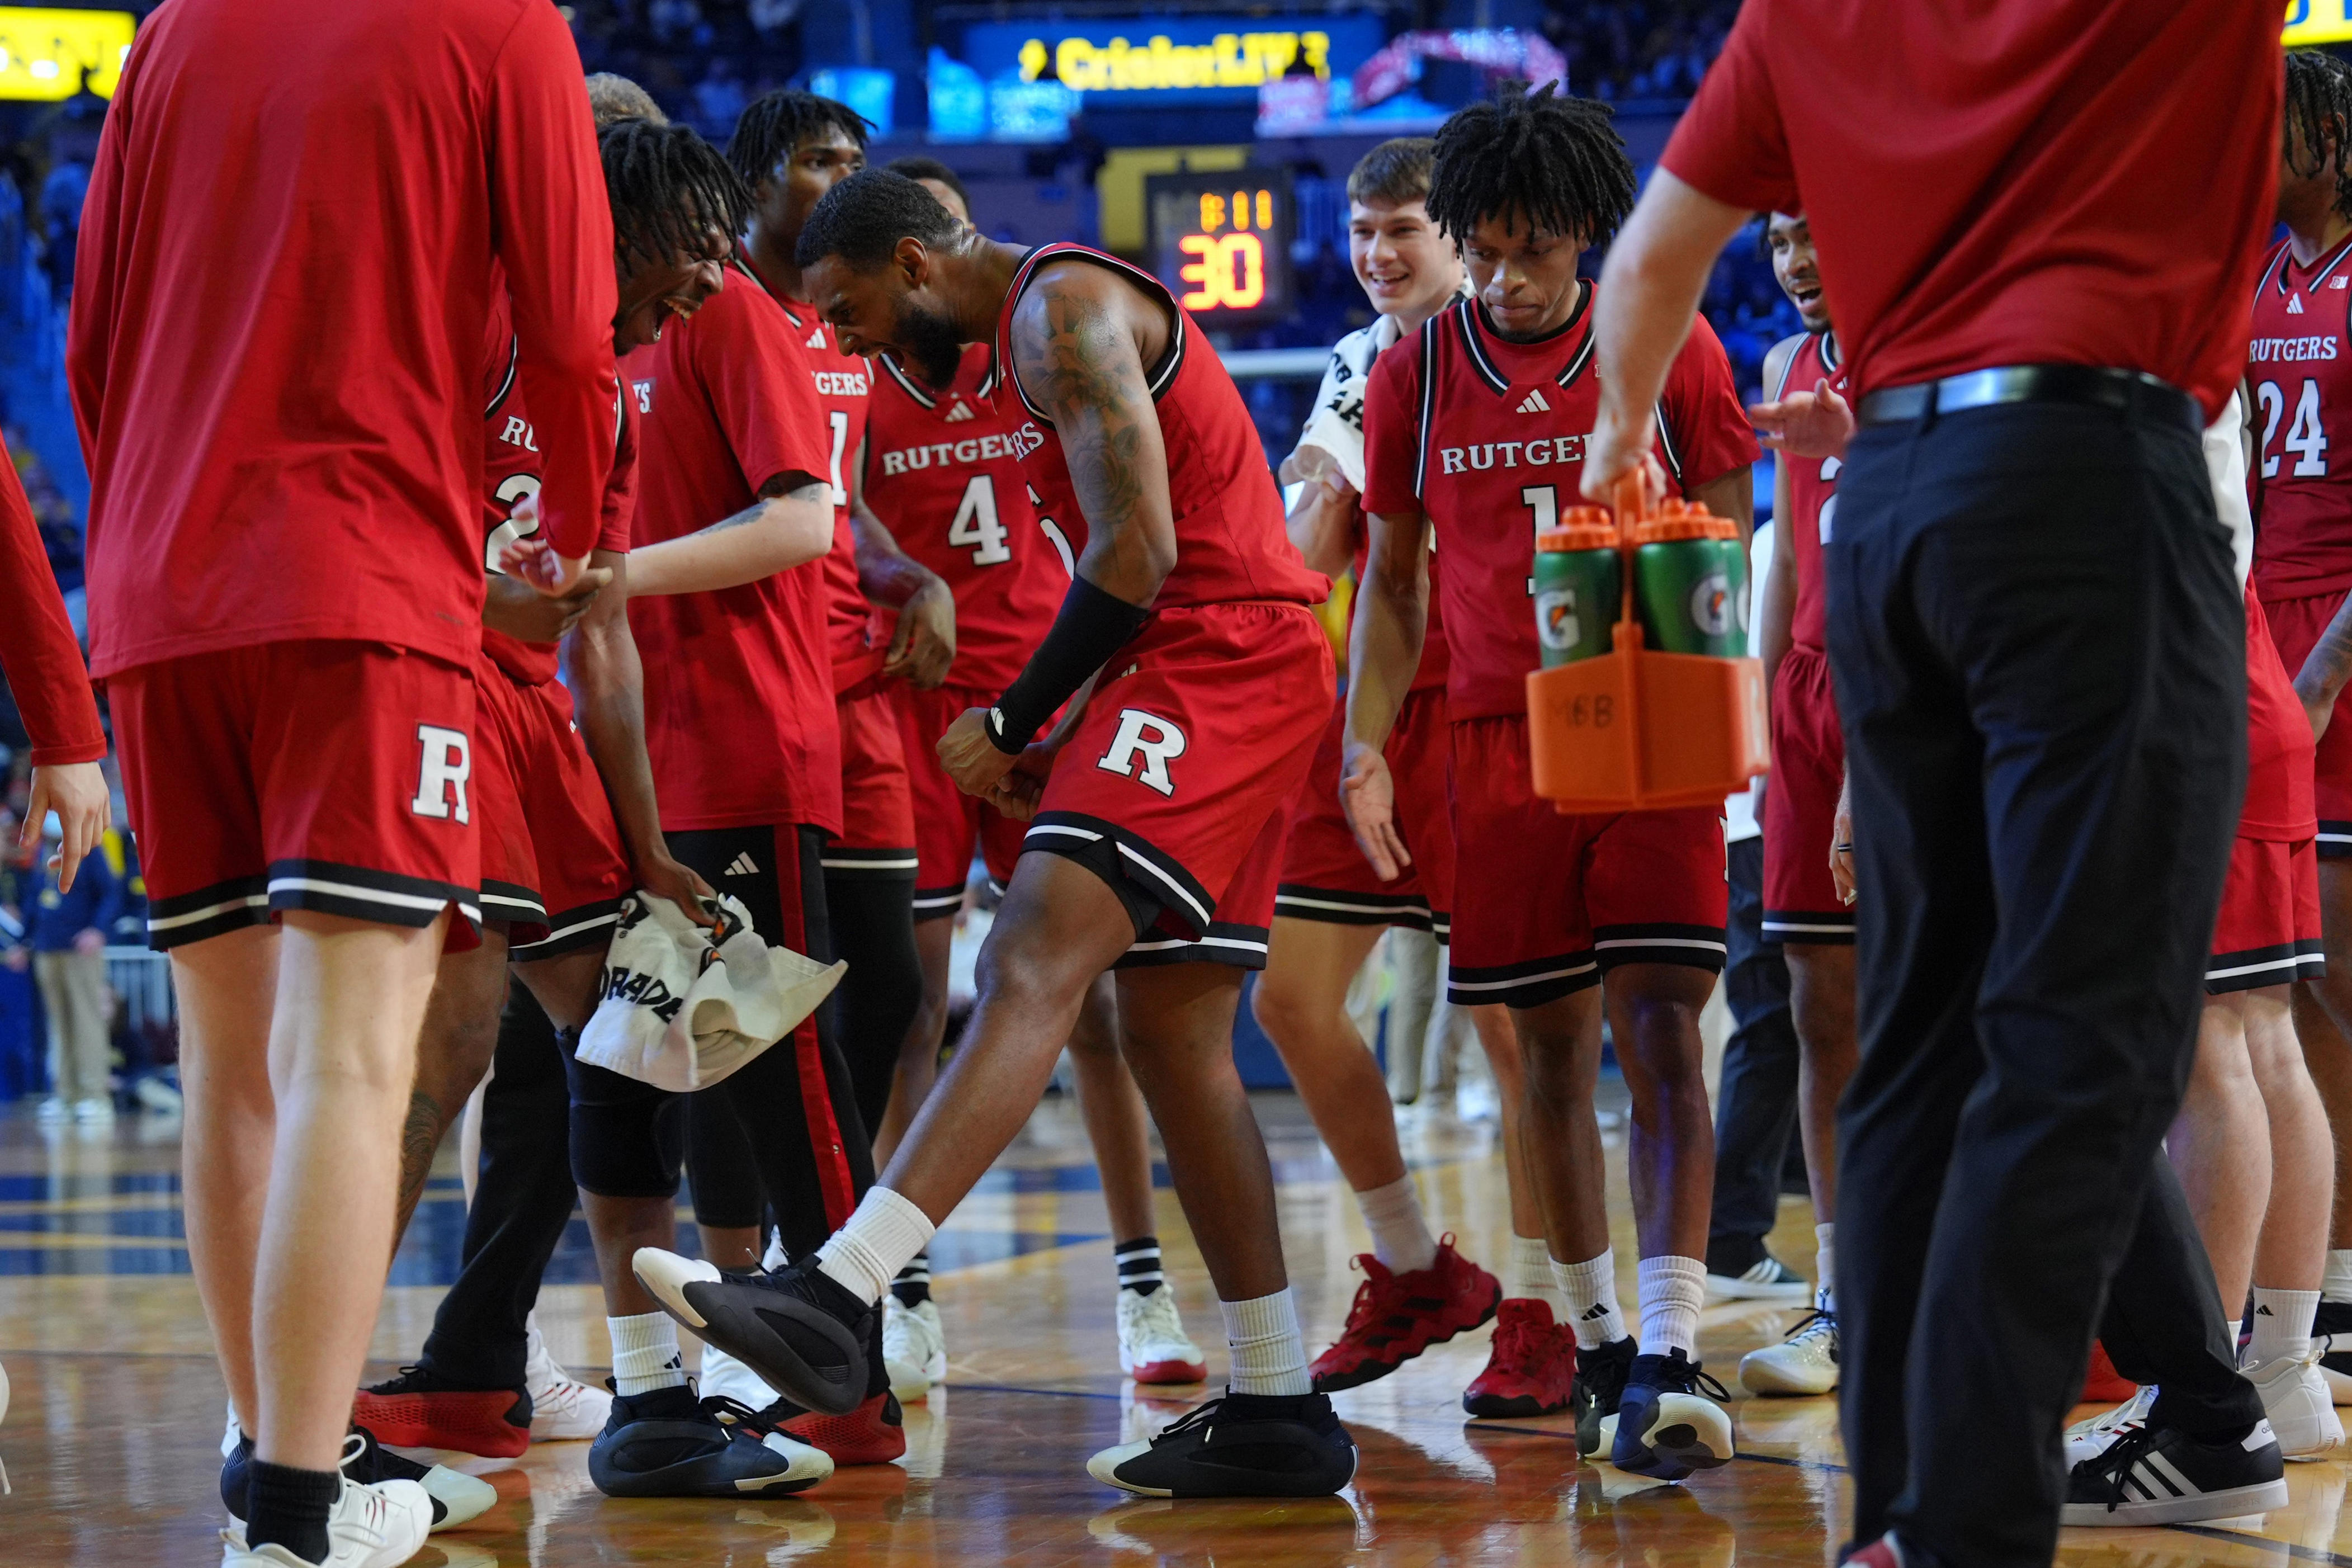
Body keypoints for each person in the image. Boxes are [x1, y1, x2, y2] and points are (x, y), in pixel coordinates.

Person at [1589, 1, 2282, 1559]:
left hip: (1881, 505)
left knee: (1912, 1040)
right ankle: (1962, 1523)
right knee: (2079, 1040)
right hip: (2087, 475)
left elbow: (1648, 259)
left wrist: (1612, 448)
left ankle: (1892, 1511)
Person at [635, 167, 1353, 1499]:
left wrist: (1016, 719)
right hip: (1203, 665)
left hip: (1217, 654)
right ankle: (1275, 1400)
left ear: (913, 263)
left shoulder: (1055, 310)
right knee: (1174, 1033)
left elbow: (1137, 552)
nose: (841, 340)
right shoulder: (1028, 330)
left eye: (847, 309)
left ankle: (837, 1293)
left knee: (1025, 954)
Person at [72, 2, 621, 1563]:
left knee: (227, 1066)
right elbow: (575, 332)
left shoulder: (172, 28)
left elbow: (90, 341)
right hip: (364, 577)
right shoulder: (501, 21)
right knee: (350, 1065)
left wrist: (149, 555)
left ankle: (273, 1462)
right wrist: (559, 528)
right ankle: (304, 1515)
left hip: (158, 590)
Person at [1350, 87, 1756, 1481]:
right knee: (1536, 1055)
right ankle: (1589, 1336)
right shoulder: (1413, 370)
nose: (1513, 276)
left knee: (1660, 1030)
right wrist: (1360, 745)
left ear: (1586, 233)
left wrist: (1721, 698)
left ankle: (1667, 1341)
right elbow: (1389, 583)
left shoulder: (1669, 340)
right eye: (1490, 247)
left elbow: (1726, 520)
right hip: (1490, 741)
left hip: (1645, 725)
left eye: (1536, 247)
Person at [349, 114, 755, 1474]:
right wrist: (489, 595)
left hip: (524, 709)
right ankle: (284, 1407)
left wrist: (644, 844)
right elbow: (354, 530)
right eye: (695, 247)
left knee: (671, 1016)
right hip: (421, 675)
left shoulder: (610, 398)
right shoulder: (465, 323)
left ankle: (665, 1382)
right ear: (613, 227)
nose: (712, 280)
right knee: (455, 1047)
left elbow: (600, 634)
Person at [861, 166, 1207, 1395]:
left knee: (1093, 1008)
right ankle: (898, 1294)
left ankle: (1142, 1281)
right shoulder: (853, 370)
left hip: (1047, 699)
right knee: (909, 1004)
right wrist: (902, 573)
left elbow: (1132, 530)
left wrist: (1031, 714)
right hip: (911, 713)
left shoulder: (1043, 340)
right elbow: (830, 517)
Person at [1248, 136, 1551, 1417]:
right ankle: (1418, 1264)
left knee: (1511, 1030)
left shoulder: (1517, 352)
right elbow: (1307, 524)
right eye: (1364, 233)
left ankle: (1544, 1305)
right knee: (1290, 996)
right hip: (1371, 709)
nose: (1379, 255)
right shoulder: (1352, 359)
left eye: (1404, 231)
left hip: (1495, 705)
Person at [676, 91, 957, 1459]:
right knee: (728, 1024)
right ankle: (790, 1295)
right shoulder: (715, 308)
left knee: (883, 992)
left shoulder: (845, 325)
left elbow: (839, 502)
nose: (843, 178)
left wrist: (905, 569)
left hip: (838, 696)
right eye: (817, 161)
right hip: (738, 691)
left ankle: (853, 1283)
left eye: (858, 162)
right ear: (750, 182)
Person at [2065, 384, 2344, 1468]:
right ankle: (2282, 1363)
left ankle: (2201, 1385)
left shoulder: (2130, 321)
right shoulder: (2193, 296)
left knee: (2207, 1049)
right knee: (2266, 1032)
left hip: (2186, 671)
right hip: (2249, 661)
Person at [2249, 49, 2352, 1400]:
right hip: (2252, 628)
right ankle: (2325, 1277)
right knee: (2289, 978)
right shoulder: (2252, 278)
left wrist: (2325, 666)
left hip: (2330, 634)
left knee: (2339, 970)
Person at [1736, 210, 1851, 1398]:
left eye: (1817, 234)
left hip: (1912, 695)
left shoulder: (1930, 353)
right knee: (1823, 1008)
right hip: (1811, 698)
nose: (1799, 263)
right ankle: (1840, 1296)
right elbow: (1787, 556)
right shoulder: (1782, 366)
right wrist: (1759, 712)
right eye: (1778, 242)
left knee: (1944, 1016)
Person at [21, 809, 123, 1125]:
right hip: (47, 948)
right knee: (58, 1024)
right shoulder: (42, 852)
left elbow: (111, 892)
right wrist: (27, 939)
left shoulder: (89, 849)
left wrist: (98, 929)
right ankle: (65, 1094)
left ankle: (95, 1096)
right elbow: (35, 898)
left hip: (80, 949)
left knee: (87, 1020)